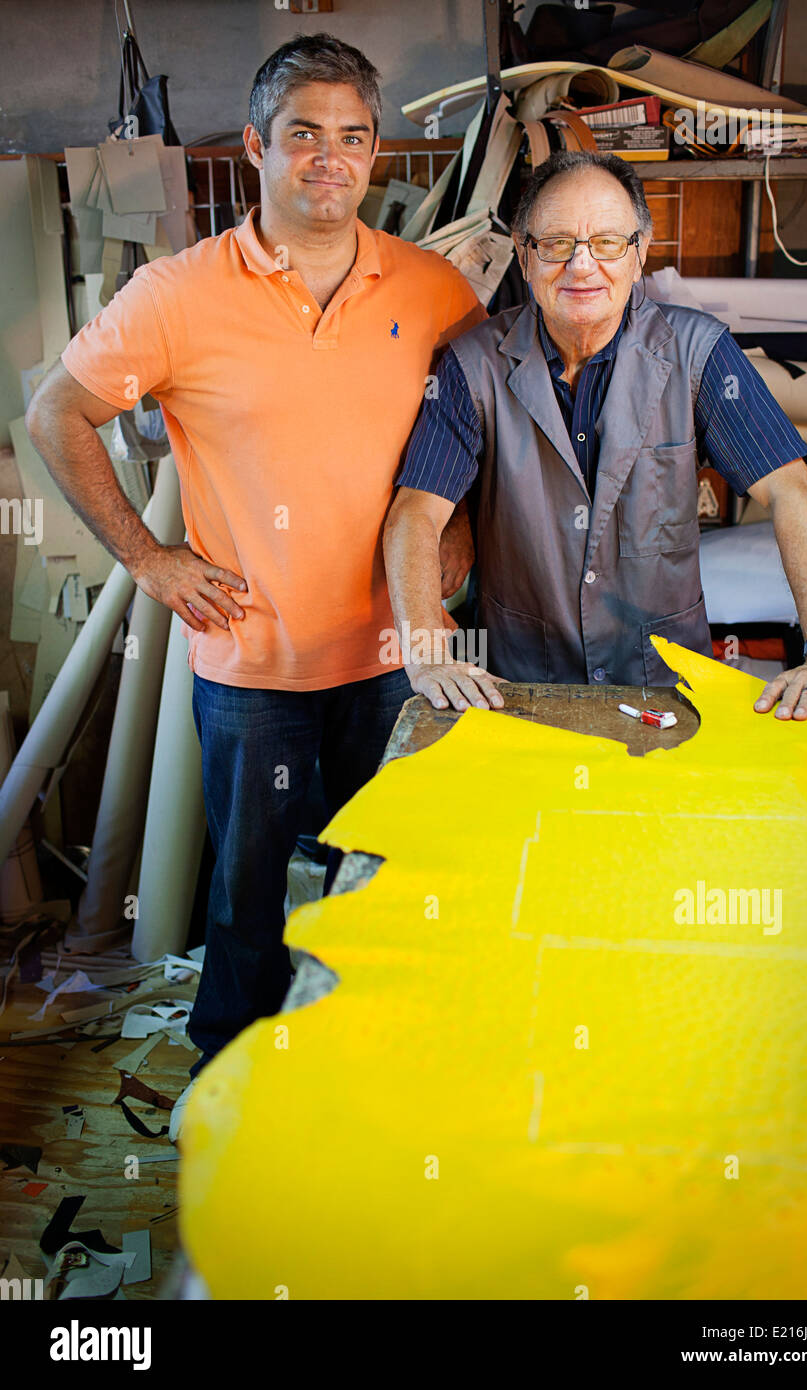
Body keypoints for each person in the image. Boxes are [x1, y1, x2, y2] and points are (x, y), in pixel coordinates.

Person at [24, 34, 482, 1100]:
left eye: (352, 137)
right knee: (245, 895)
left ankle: (359, 1083)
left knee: (377, 884)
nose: (329, 158)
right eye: (303, 135)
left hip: (392, 660)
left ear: (376, 152)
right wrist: (148, 556)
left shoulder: (432, 287)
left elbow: (480, 430)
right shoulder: (178, 295)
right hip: (255, 662)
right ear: (255, 147)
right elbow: (57, 411)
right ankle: (228, 1088)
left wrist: (462, 539)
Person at [383, 150, 807, 722]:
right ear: (524, 254)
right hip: (518, 684)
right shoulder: (470, 366)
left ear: (639, 255)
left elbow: (792, 493)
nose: (582, 266)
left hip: (662, 682)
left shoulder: (698, 354)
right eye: (556, 243)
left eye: (607, 242)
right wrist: (427, 653)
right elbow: (415, 513)